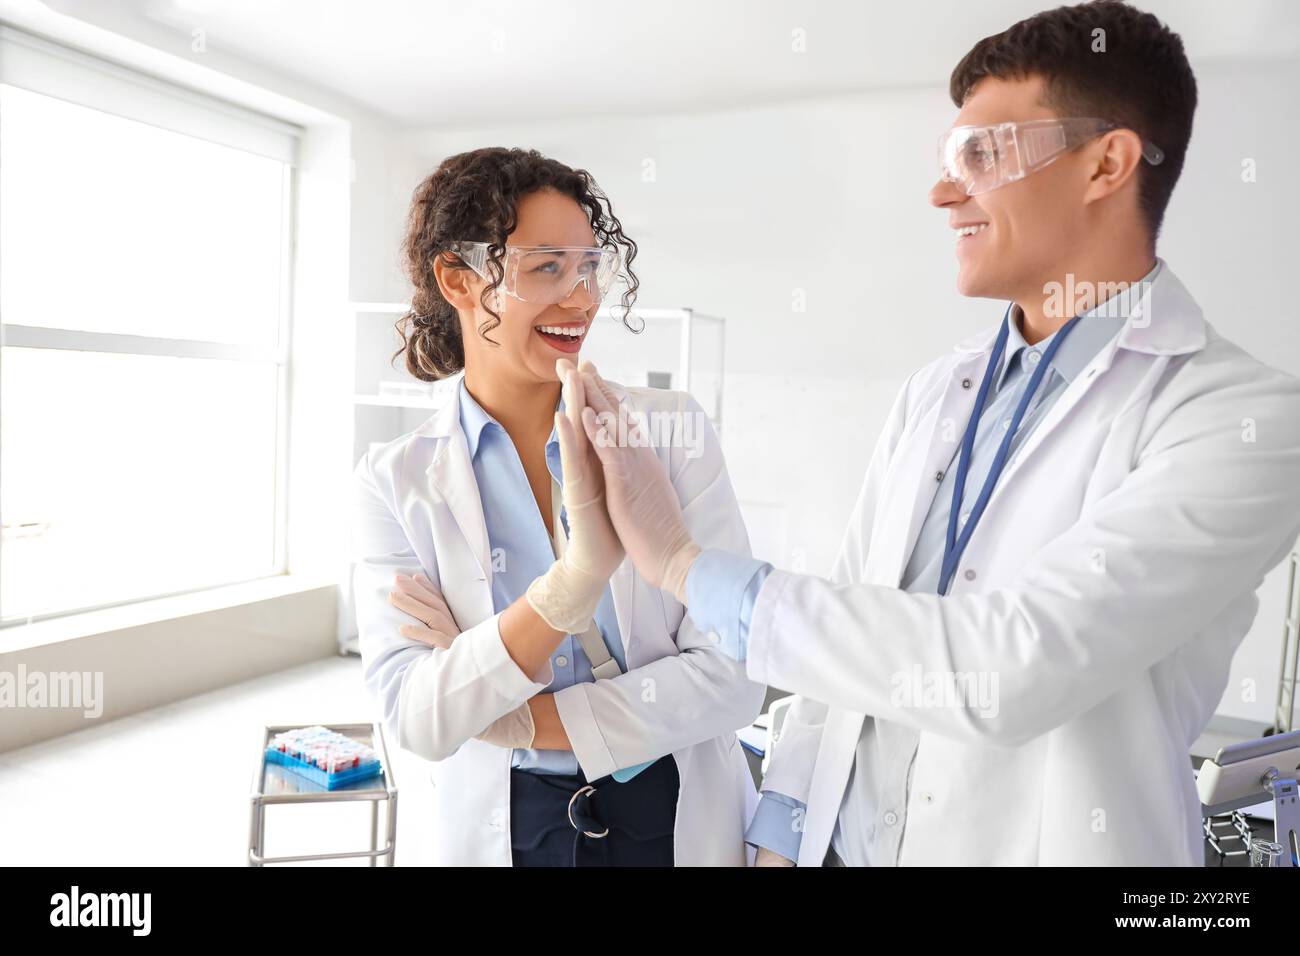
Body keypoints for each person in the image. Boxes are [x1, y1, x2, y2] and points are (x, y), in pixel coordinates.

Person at [571, 1, 1300, 865]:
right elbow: (850, 615)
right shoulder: (939, 391)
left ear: (1106, 163)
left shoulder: (1241, 419)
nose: (943, 189)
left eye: (982, 154)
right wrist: (783, 829)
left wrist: (683, 566)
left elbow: (1010, 670)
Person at [350, 147, 763, 866]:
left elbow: (735, 677)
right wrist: (572, 586)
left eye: (589, 266)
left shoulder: (673, 432)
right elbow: (418, 718)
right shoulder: (395, 481)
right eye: (546, 267)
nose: (582, 298)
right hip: (507, 822)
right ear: (459, 279)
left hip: (668, 809)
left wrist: (509, 710)